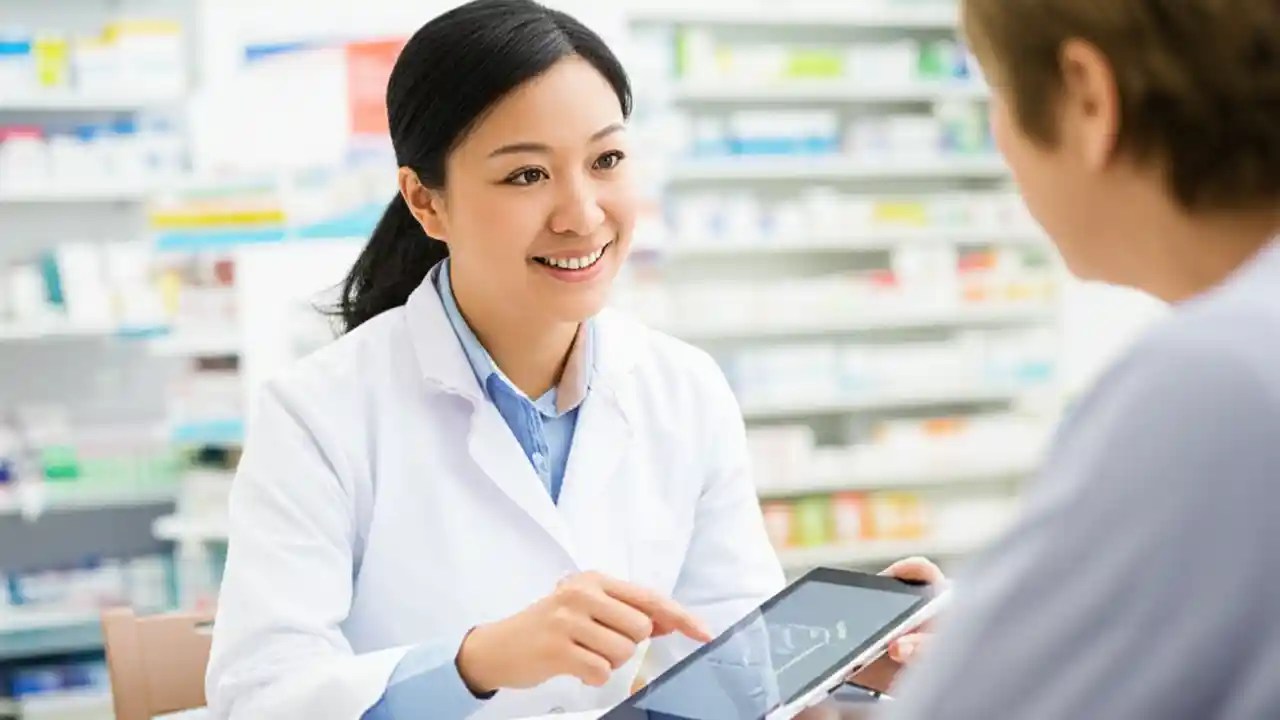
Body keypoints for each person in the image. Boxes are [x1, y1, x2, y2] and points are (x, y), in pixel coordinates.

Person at [204, 2, 937, 718]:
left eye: (606, 159)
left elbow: (723, 655)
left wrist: (842, 666)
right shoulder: (317, 411)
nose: (582, 213)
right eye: (527, 175)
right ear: (426, 203)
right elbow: (260, 695)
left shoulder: (684, 389)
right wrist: (478, 661)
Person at [878, 1, 1280, 718]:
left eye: (996, 95)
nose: (1000, 139)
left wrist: (989, 677)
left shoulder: (1211, 376)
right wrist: (1021, 647)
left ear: (1088, 97)